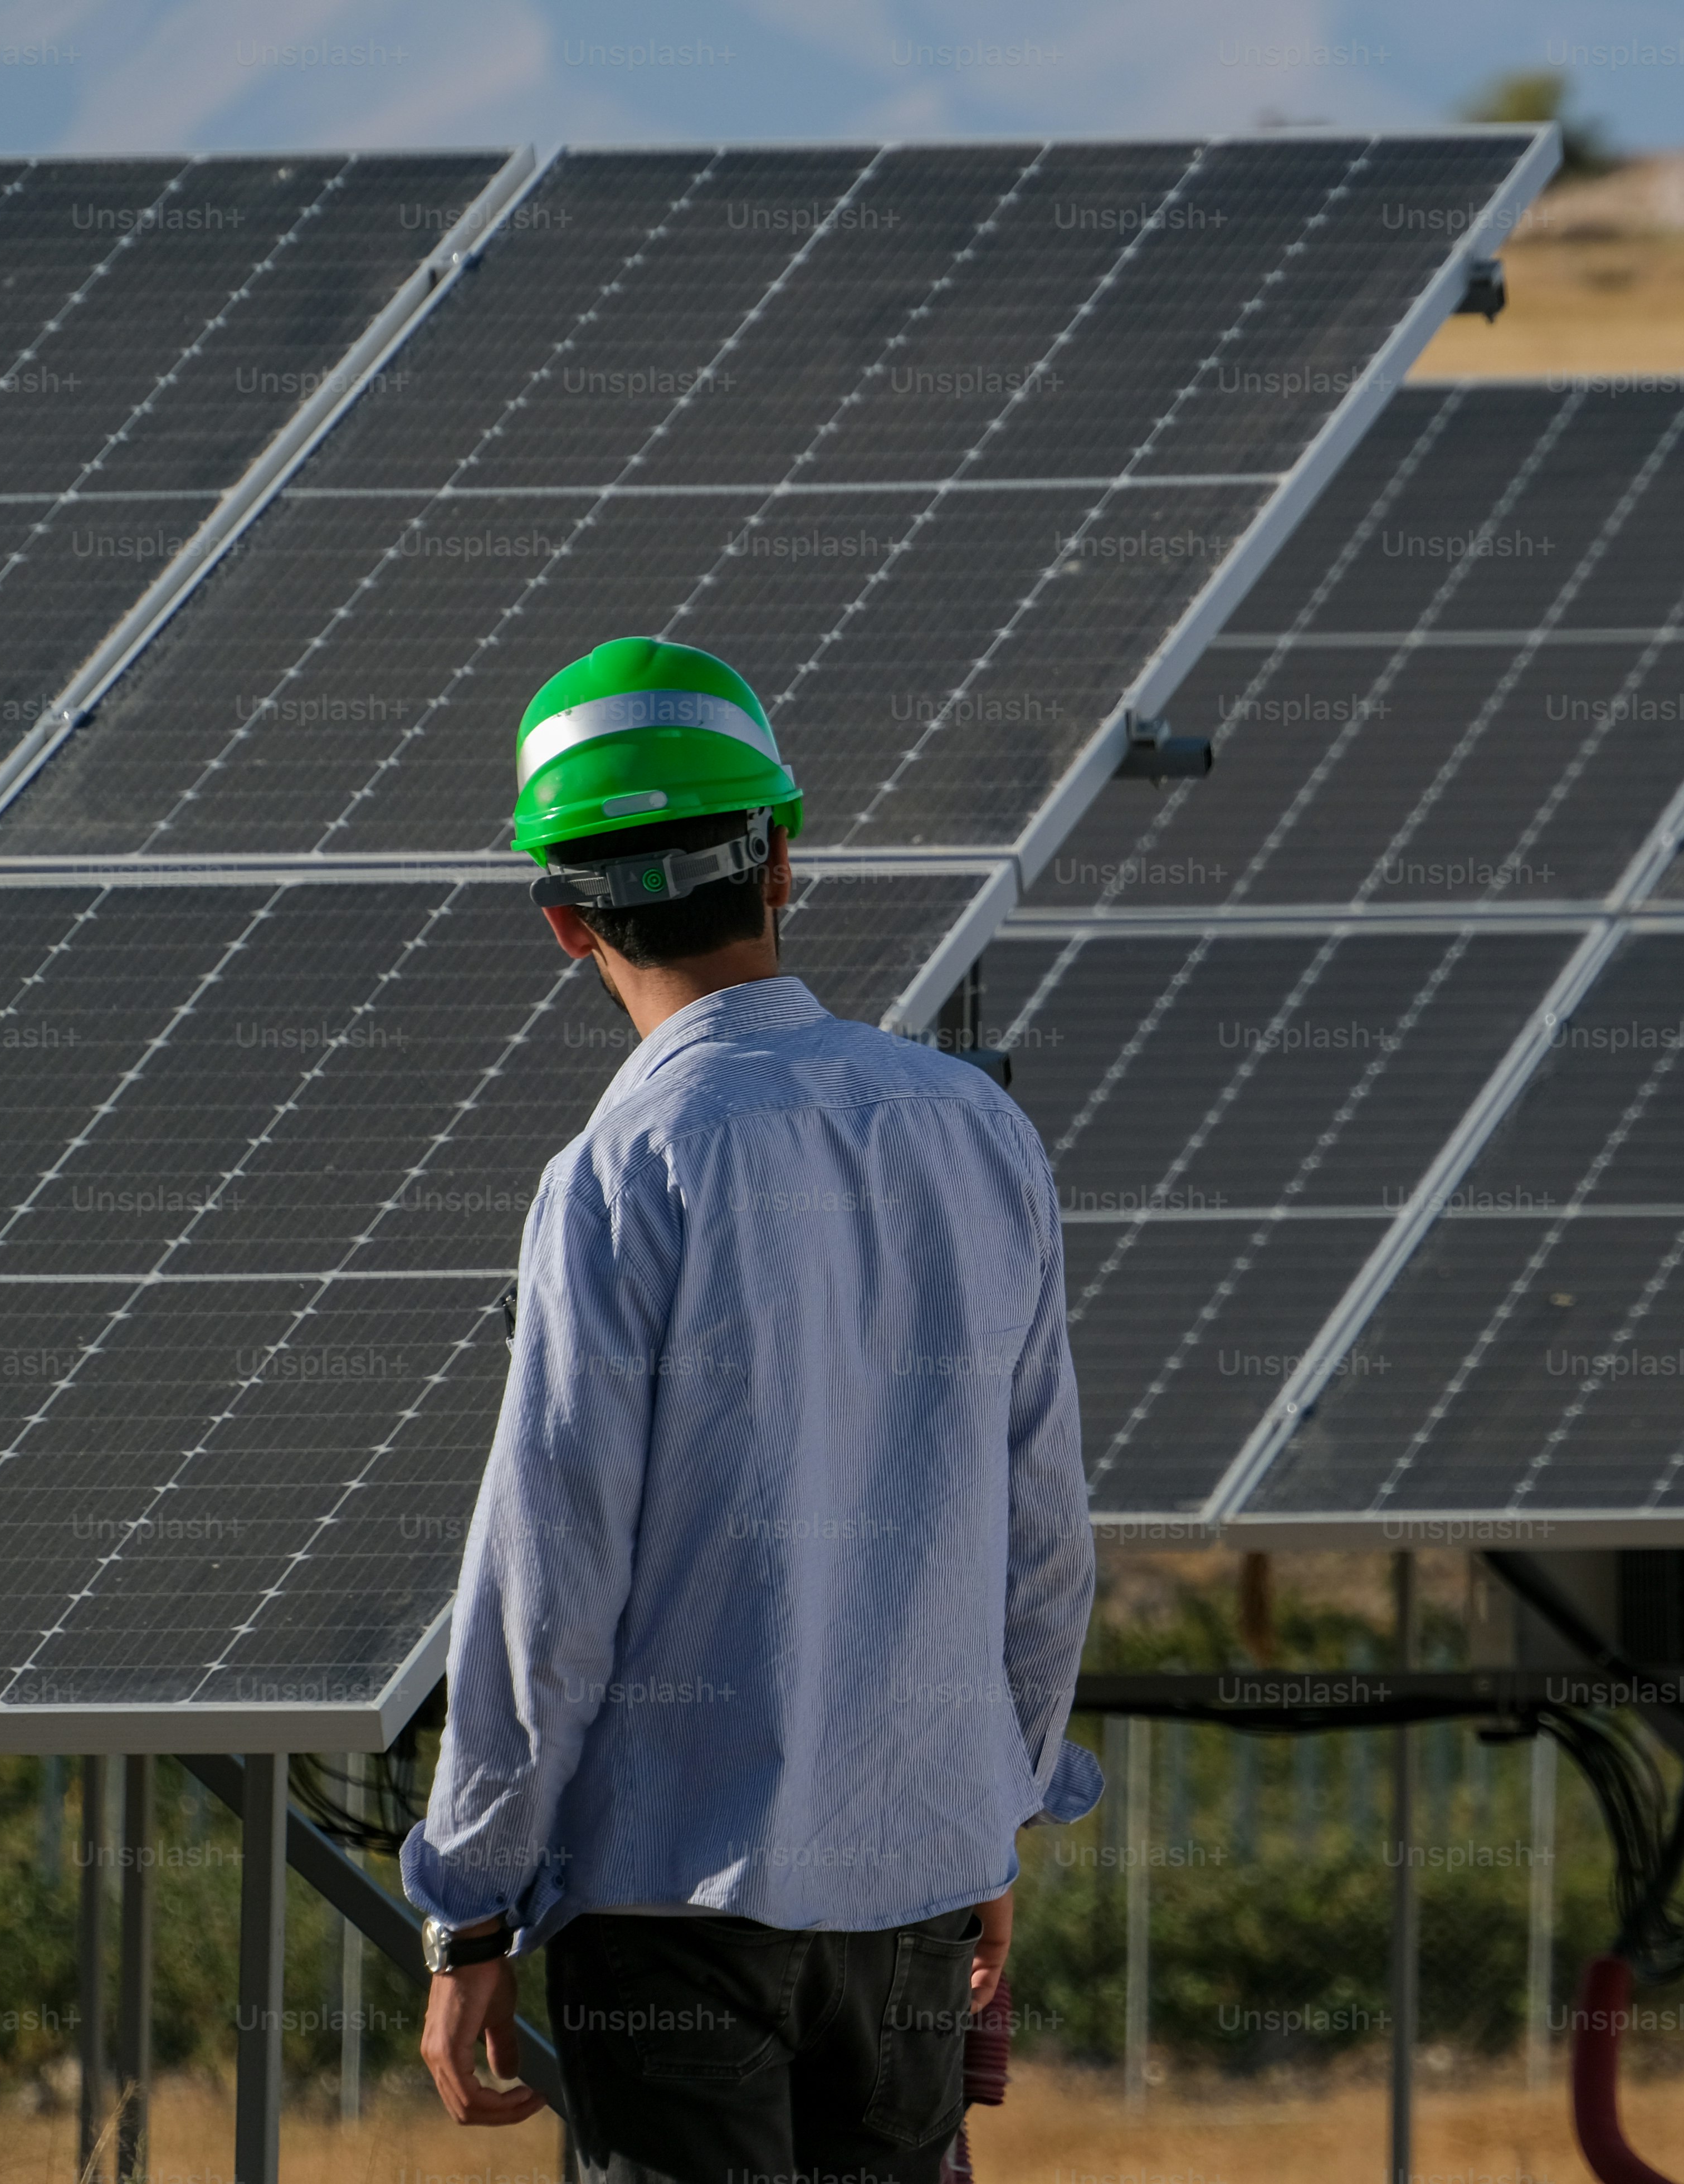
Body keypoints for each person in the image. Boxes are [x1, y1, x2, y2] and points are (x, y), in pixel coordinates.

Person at [402, 637, 1098, 2182]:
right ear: (783, 860)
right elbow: (1043, 1530)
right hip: (915, 1884)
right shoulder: (974, 1131)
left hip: (673, 1917)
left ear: (563, 921)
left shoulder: (617, 1177)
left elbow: (550, 1574)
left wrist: (470, 1899)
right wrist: (1000, 1798)